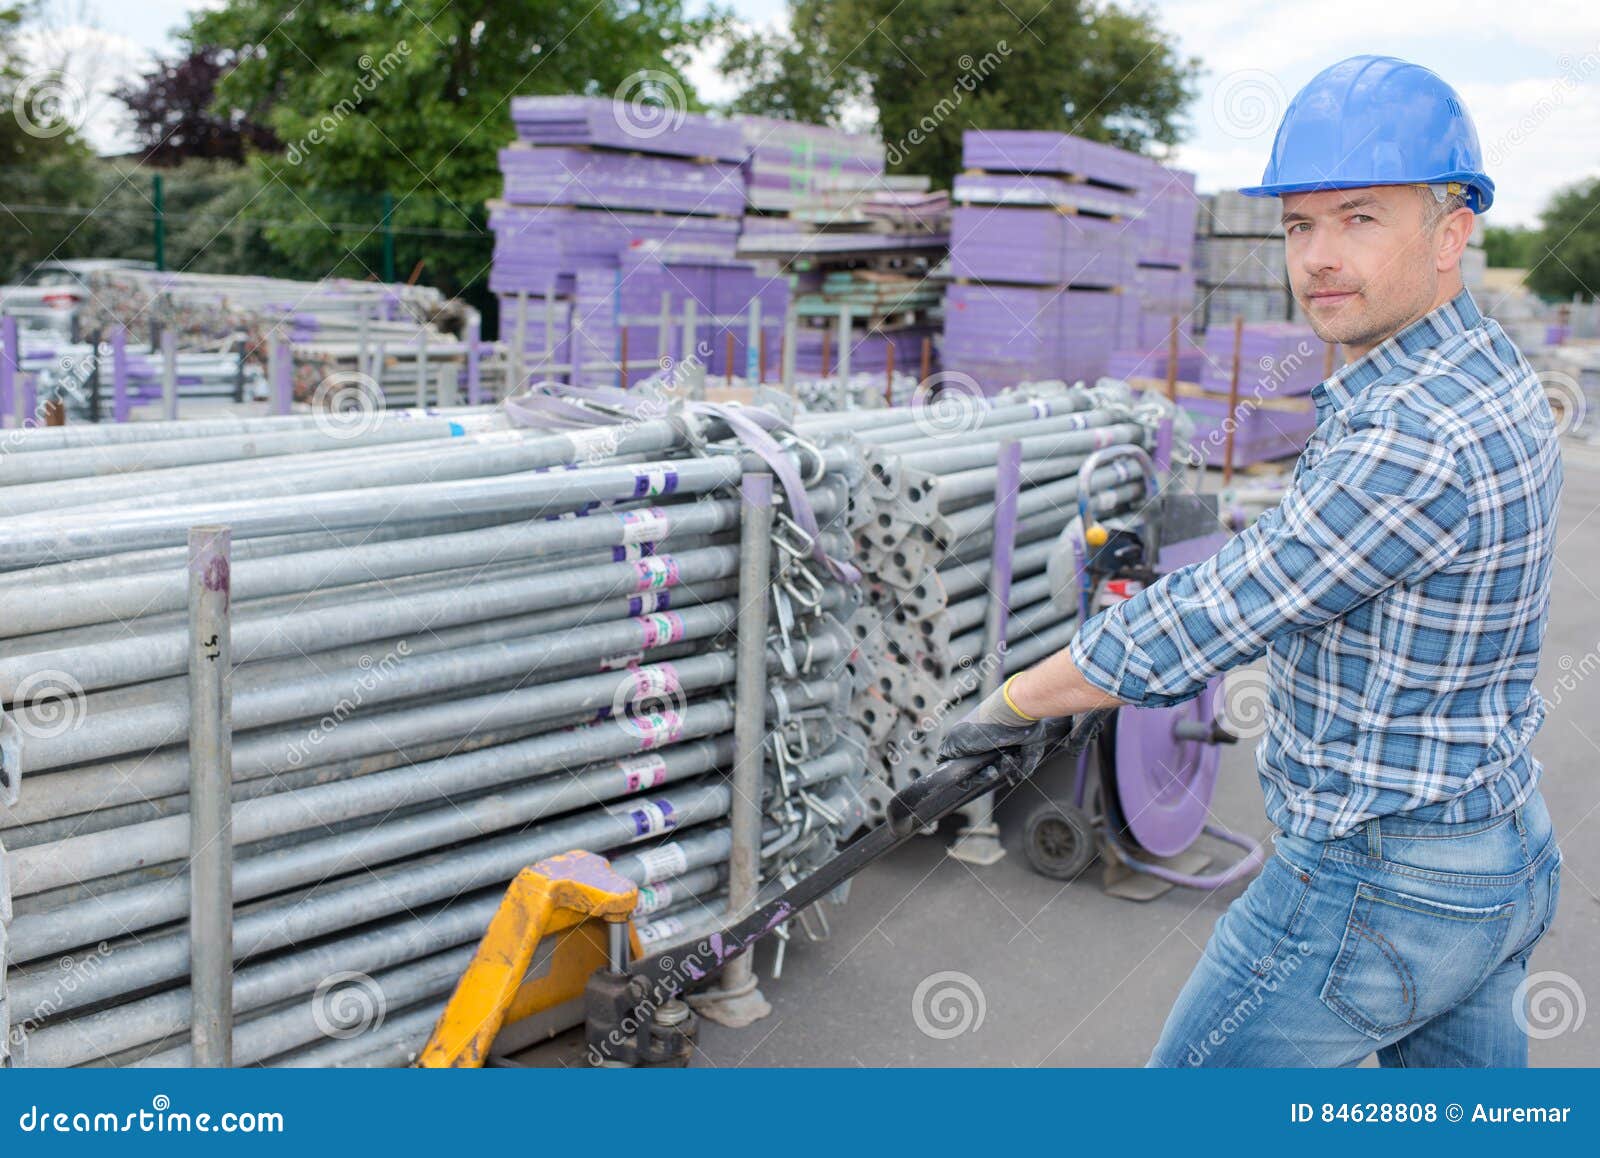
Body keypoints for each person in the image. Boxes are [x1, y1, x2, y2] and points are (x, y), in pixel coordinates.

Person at [940, 54, 1565, 1067]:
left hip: (1379, 884)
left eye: (1359, 218)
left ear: (1451, 232)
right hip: (1493, 850)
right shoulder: (1482, 367)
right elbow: (1318, 563)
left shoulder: (1411, 436)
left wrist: (1007, 708)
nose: (1317, 256)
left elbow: (1205, 620)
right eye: (1297, 225)